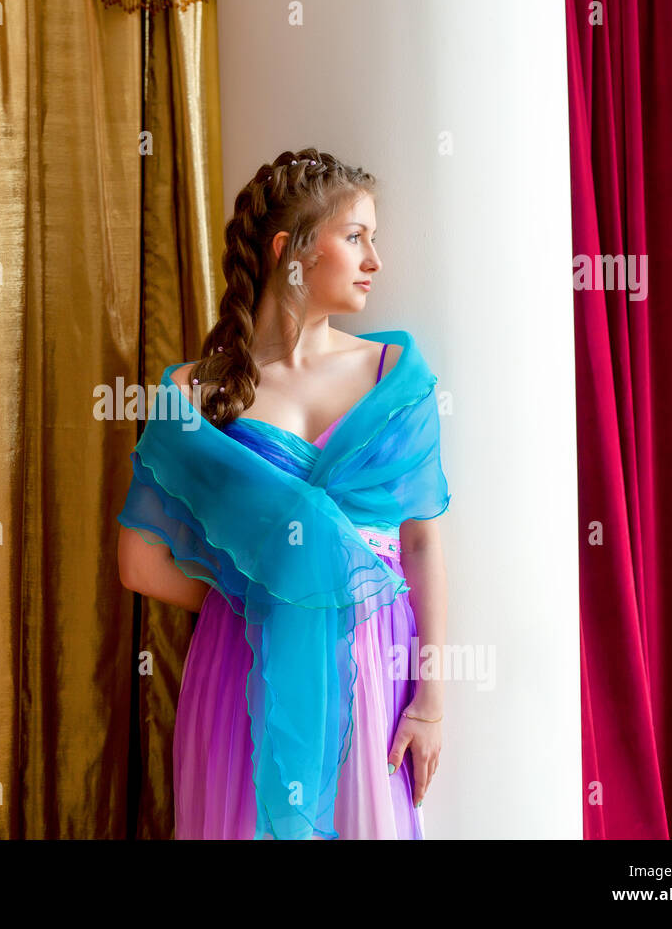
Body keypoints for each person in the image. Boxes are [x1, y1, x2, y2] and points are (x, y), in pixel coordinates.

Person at [117, 148, 451, 839]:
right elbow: (137, 565)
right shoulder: (192, 395)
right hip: (298, 661)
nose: (375, 260)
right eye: (356, 237)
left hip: (309, 663)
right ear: (289, 251)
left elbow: (424, 538)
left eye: (374, 239)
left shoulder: (398, 376)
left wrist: (431, 700)